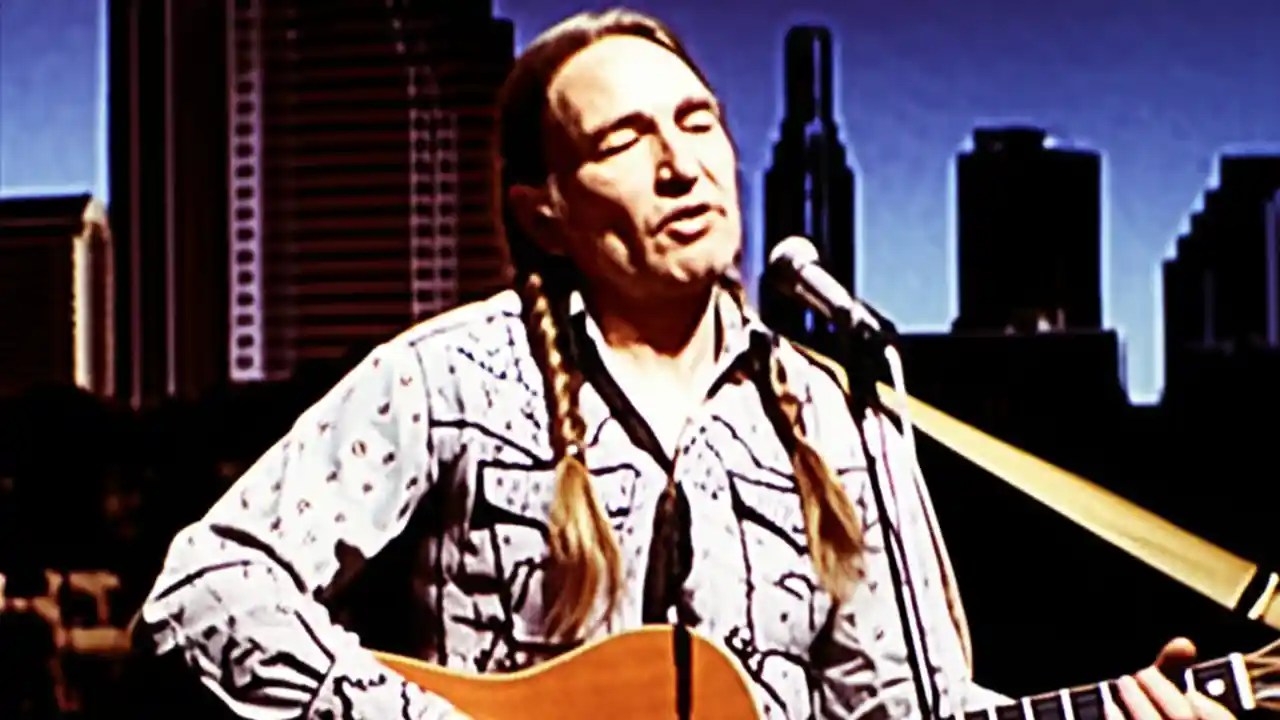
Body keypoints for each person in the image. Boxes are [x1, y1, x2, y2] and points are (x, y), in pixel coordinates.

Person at [130, 8, 1234, 720]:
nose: (679, 164)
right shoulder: (445, 379)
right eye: (622, 142)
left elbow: (910, 713)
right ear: (545, 213)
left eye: (697, 122)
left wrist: (1126, 710)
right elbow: (205, 593)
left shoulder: (847, 415)